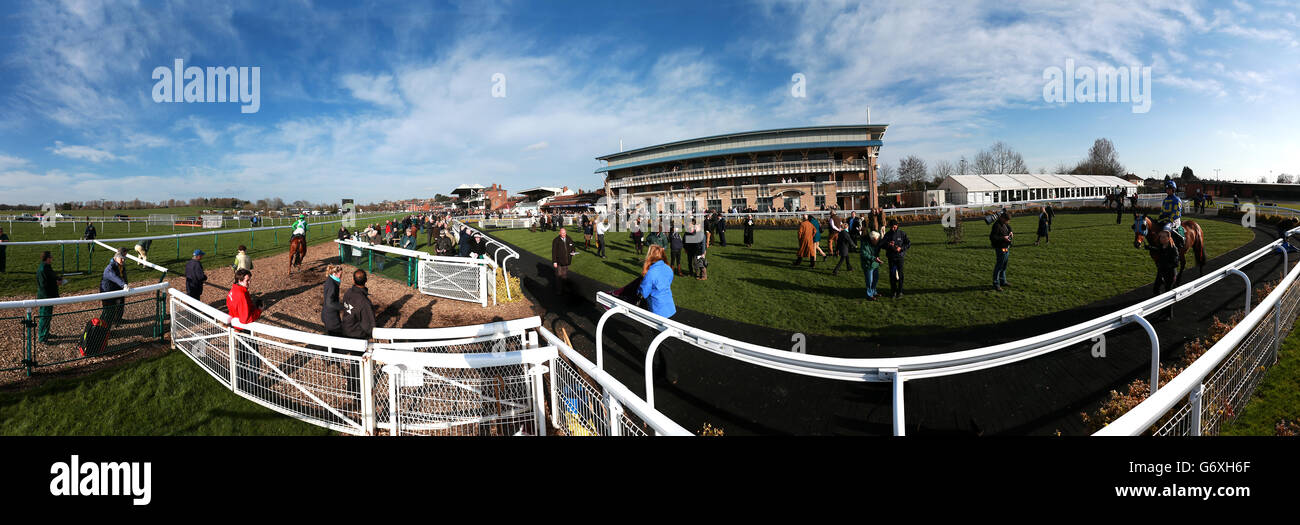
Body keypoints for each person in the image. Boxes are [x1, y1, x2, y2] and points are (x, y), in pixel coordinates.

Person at [638, 245, 676, 318]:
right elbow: (668, 282)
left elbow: (644, 293)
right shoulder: (668, 268)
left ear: (650, 255)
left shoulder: (651, 273)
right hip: (670, 307)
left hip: (658, 311)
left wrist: (639, 288)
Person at [341, 269, 376, 339]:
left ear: (353, 280)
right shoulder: (364, 302)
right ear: (366, 280)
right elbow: (367, 325)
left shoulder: (348, 292)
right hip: (356, 335)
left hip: (344, 329)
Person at [99, 248, 130, 325]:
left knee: (120, 305)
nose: (123, 260)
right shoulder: (110, 268)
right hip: (108, 291)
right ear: (116, 257)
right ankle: (103, 326)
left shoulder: (121, 266)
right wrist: (124, 285)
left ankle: (118, 320)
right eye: (122, 258)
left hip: (118, 288)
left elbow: (123, 276)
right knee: (109, 310)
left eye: (124, 259)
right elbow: (115, 277)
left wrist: (125, 284)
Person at [36, 251, 61, 342]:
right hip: (45, 297)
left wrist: (57, 278)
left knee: (47, 316)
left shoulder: (46, 267)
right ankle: (42, 337)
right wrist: (56, 283)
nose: (52, 259)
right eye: (51, 257)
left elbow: (50, 277)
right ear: (47, 258)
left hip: (48, 296)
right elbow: (44, 285)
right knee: (44, 316)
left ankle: (46, 333)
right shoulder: (43, 269)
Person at [880, 219, 910, 298]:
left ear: (897, 226)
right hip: (891, 258)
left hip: (900, 257)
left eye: (895, 227)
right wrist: (888, 245)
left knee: (900, 275)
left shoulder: (902, 233)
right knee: (892, 274)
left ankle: (900, 291)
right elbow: (881, 244)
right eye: (892, 227)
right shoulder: (887, 234)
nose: (893, 228)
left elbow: (908, 243)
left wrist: (901, 248)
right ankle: (893, 291)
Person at [1157, 180, 1184, 251]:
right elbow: (1162, 211)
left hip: (1175, 220)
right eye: (1167, 189)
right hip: (1166, 219)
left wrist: (1169, 219)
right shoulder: (1165, 200)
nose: (1167, 191)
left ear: (1173, 190)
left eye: (1169, 189)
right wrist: (1160, 217)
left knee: (1166, 228)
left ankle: (1171, 247)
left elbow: (1176, 213)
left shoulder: (1177, 200)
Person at [320, 264, 346, 338]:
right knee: (338, 336)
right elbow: (330, 302)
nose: (341, 276)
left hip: (327, 315)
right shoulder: (333, 285)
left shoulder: (330, 280)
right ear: (334, 273)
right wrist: (343, 307)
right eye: (340, 274)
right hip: (331, 318)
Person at [990, 212, 1013, 291]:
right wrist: (1003, 238)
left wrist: (1010, 232)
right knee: (999, 266)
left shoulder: (1004, 224)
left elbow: (1009, 227)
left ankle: (1003, 281)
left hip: (1006, 247)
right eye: (1007, 220)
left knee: (1004, 266)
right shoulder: (996, 226)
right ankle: (996, 283)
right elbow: (993, 237)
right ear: (1002, 218)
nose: (1008, 222)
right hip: (1000, 248)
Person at [552, 226, 576, 296]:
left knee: (564, 275)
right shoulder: (556, 240)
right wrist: (554, 261)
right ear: (559, 233)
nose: (564, 234)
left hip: (566, 261)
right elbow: (554, 252)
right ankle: (559, 290)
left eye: (564, 233)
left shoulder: (569, 238)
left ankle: (564, 288)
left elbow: (573, 246)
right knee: (559, 276)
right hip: (559, 261)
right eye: (562, 233)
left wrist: (573, 251)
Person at [860, 231, 883, 301]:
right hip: (868, 265)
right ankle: (869, 295)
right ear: (873, 239)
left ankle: (874, 292)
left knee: (875, 279)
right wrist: (874, 258)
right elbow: (864, 254)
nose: (878, 241)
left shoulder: (876, 243)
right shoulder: (865, 244)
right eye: (877, 240)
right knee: (869, 281)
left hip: (875, 264)